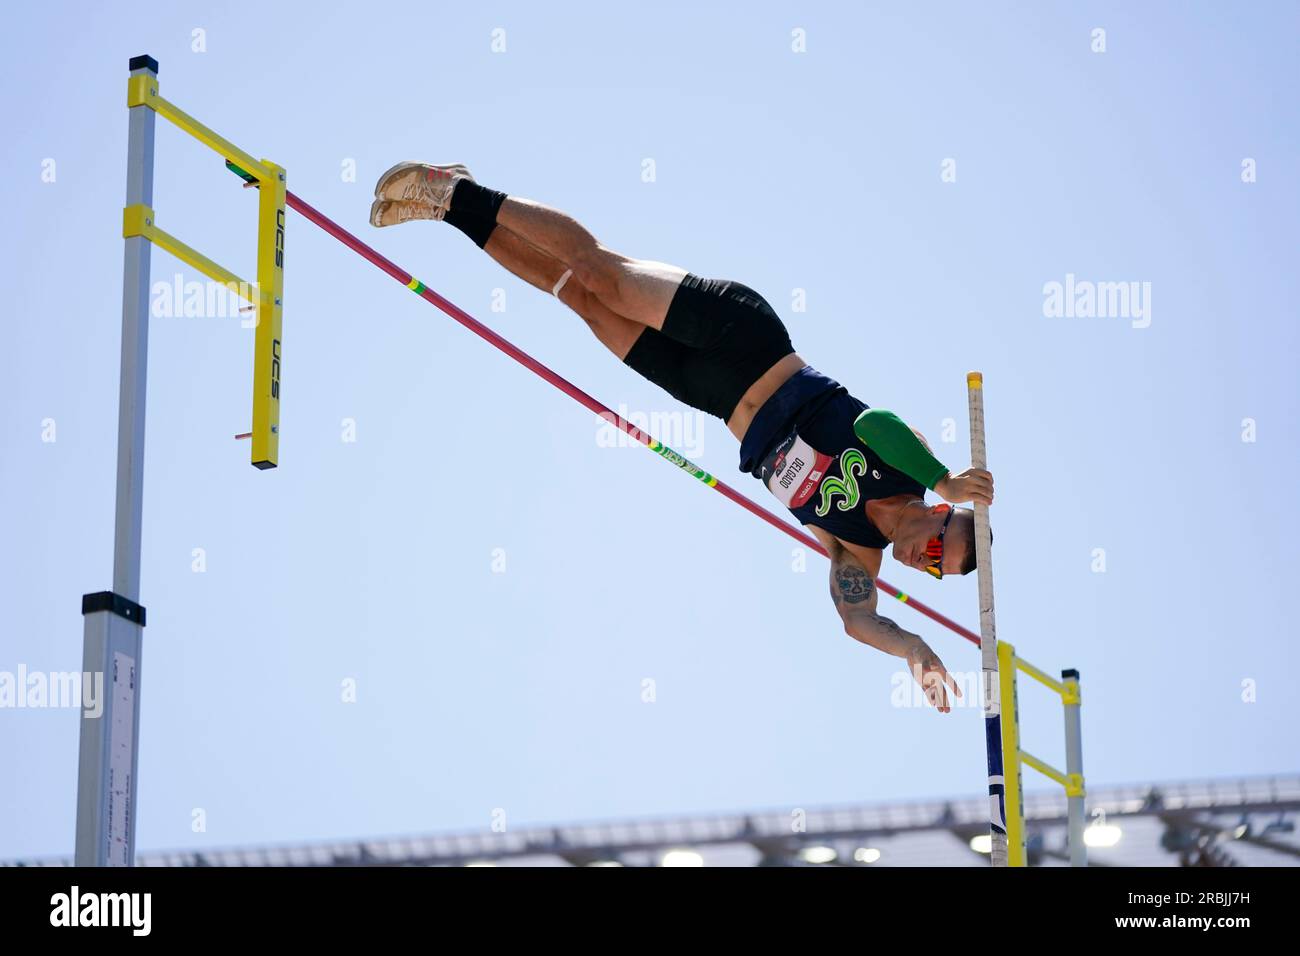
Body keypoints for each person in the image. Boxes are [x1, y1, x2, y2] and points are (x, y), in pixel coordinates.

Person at [369, 164, 995, 712]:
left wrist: (912, 646)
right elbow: (870, 424)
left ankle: (452, 207)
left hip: (711, 396)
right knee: (601, 275)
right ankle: (455, 188)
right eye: (942, 547)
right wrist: (943, 476)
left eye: (938, 570)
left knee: (580, 302)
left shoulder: (858, 552)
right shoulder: (909, 466)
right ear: (942, 513)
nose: (926, 562)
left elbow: (855, 617)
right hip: (744, 341)